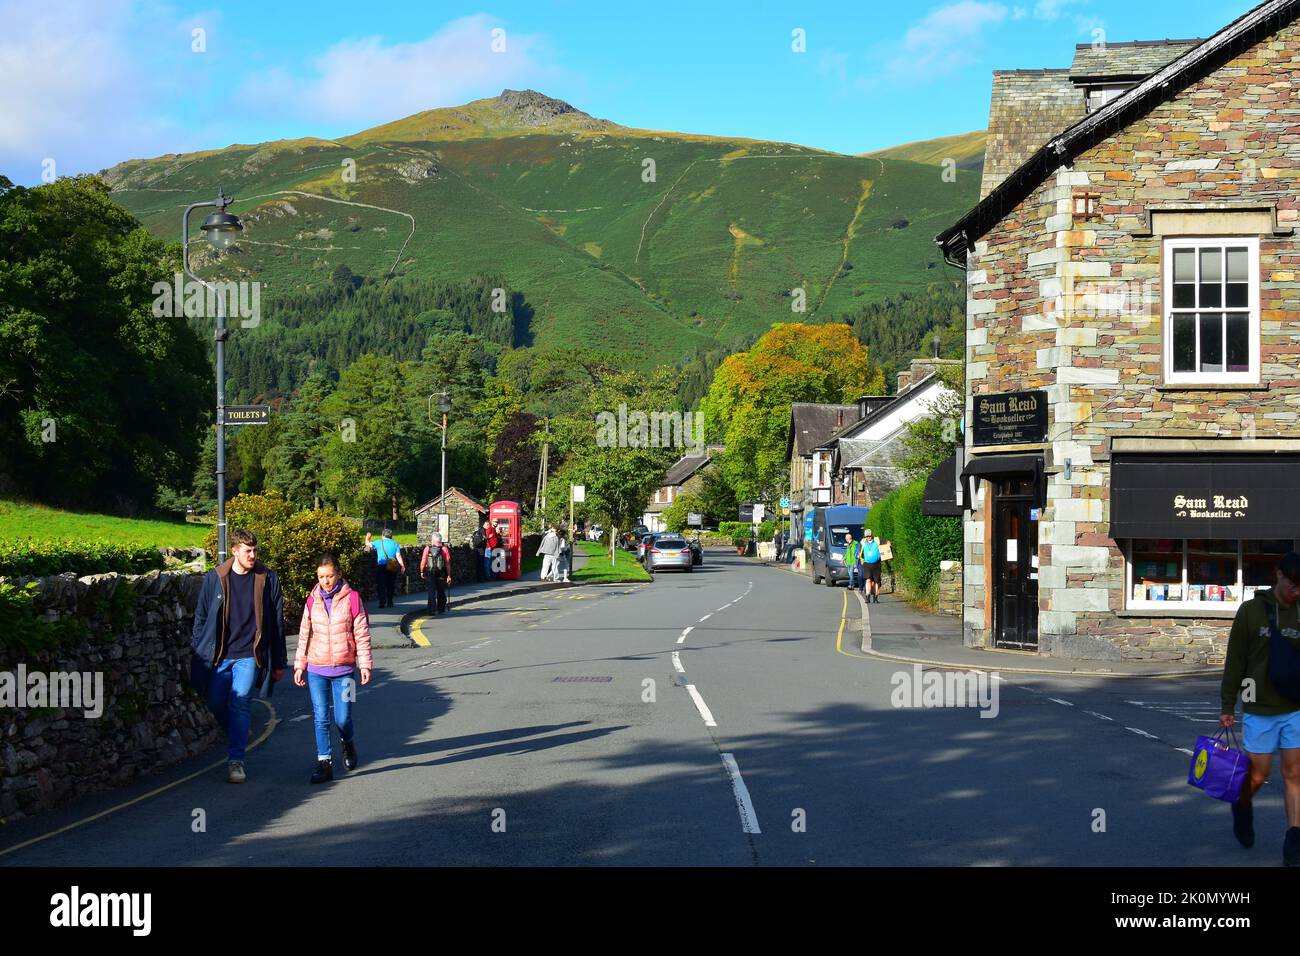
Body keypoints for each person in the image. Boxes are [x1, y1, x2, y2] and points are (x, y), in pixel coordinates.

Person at [1219, 551, 1300, 865]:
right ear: (1278, 574)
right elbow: (1235, 660)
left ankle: (1293, 841)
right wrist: (1228, 704)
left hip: (1295, 706)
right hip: (1259, 708)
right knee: (1258, 774)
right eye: (1293, 584)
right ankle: (1241, 805)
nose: (1297, 592)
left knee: (1294, 773)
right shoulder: (1251, 611)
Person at [190, 528, 286, 784]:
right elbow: (201, 616)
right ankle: (239, 732)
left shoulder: (267, 578)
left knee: (241, 701)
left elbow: (277, 622)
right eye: (248, 551)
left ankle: (236, 761)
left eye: (255, 550)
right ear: (234, 551)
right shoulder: (216, 578)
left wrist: (278, 661)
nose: (253, 555)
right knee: (215, 702)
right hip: (220, 655)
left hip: (248, 655)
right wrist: (199, 646)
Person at [293, 553, 372, 785]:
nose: (325, 581)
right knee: (320, 717)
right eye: (321, 577)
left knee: (343, 718)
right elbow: (304, 635)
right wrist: (300, 665)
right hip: (316, 669)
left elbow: (362, 634)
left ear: (338, 574)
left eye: (329, 576)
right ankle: (324, 763)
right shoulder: (311, 600)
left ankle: (348, 743)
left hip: (345, 670)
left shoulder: (353, 599)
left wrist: (364, 664)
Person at [364, 529, 405, 608]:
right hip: (392, 566)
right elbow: (398, 556)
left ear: (383, 535)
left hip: (381, 565)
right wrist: (402, 565)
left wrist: (367, 537)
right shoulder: (395, 544)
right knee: (391, 584)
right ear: (391, 536)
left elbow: (367, 544)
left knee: (381, 584)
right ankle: (390, 602)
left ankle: (382, 602)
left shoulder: (379, 542)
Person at [419, 533, 453, 615]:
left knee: (431, 591)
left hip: (430, 572)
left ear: (433, 540)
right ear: (440, 540)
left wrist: (421, 571)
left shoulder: (427, 548)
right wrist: (449, 575)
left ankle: (431, 610)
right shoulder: (444, 549)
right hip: (441, 573)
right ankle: (441, 608)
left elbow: (423, 562)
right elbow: (447, 563)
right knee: (441, 591)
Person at [860, 528, 883, 603]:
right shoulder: (863, 542)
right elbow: (860, 552)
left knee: (877, 581)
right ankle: (867, 597)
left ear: (872, 535)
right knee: (868, 580)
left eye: (869, 536)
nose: (868, 537)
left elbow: (886, 542)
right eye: (867, 536)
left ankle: (876, 598)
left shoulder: (877, 540)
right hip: (867, 564)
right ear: (865, 536)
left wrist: (888, 543)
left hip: (876, 564)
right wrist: (862, 561)